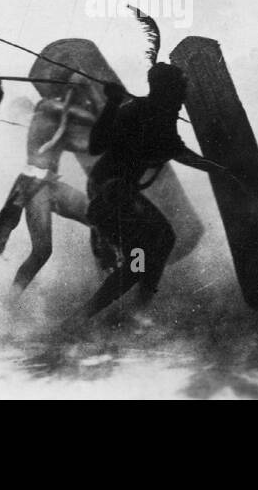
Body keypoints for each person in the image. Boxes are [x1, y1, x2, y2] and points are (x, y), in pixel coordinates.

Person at [78, 63, 222, 321]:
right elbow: (96, 145)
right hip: (108, 192)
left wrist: (220, 170)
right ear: (165, 91)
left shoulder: (161, 114)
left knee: (160, 241)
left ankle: (135, 312)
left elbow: (178, 151)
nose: (183, 97)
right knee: (142, 256)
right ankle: (88, 317)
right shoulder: (135, 111)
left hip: (118, 192)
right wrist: (112, 104)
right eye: (179, 90)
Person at [0, 74, 120, 297]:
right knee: (42, 251)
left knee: (100, 219)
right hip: (34, 186)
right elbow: (89, 118)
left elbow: (87, 143)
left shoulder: (59, 126)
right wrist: (97, 98)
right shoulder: (46, 106)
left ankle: (107, 280)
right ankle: (9, 303)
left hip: (51, 185)